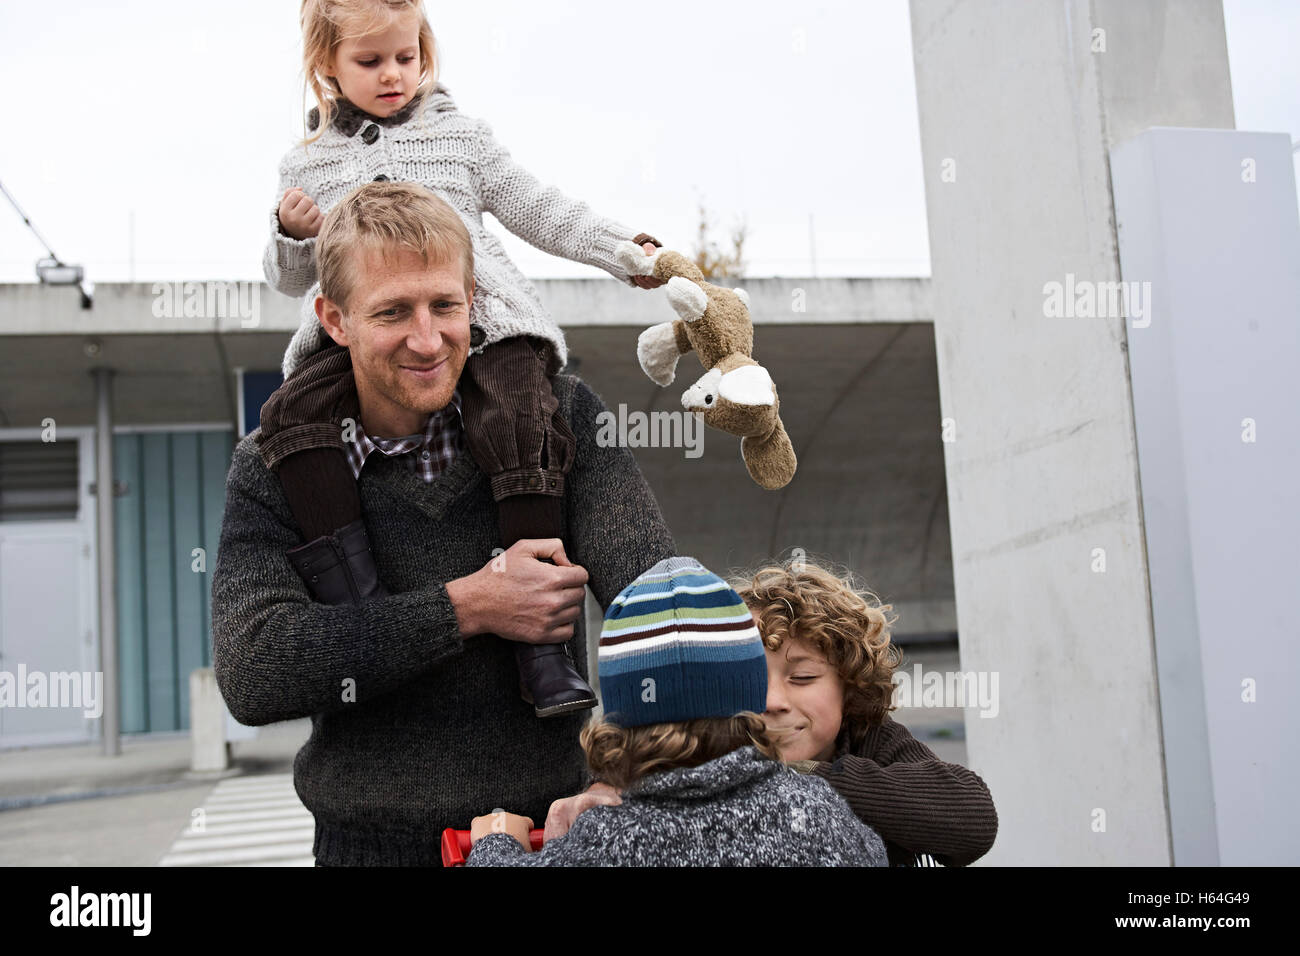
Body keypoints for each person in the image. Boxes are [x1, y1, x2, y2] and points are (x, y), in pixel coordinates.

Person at [211, 180, 675, 866]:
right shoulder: (271, 465)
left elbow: (660, 607)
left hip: (552, 840)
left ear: (475, 301)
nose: (427, 340)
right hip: (364, 852)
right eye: (393, 311)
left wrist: (621, 780)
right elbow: (255, 671)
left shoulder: (560, 419)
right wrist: (469, 606)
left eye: (444, 306)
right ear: (334, 320)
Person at [258, 0, 666, 717]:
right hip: (351, 342)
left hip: (488, 317)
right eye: (370, 61)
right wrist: (291, 234)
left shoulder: (461, 139)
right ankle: (364, 608)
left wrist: (624, 251)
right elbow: (293, 278)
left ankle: (539, 648)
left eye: (406, 57)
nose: (393, 74)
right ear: (327, 66)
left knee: (520, 412)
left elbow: (541, 209)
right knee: (290, 414)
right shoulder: (308, 162)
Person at [466, 557, 888, 866]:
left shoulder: (609, 843)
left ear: (618, 723)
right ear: (748, 701)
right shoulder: (818, 813)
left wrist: (495, 842)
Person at [737, 557, 999, 866]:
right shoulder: (702, 754)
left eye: (803, 678)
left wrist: (813, 775)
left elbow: (972, 822)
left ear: (850, 688)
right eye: (748, 679)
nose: (772, 701)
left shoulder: (870, 738)